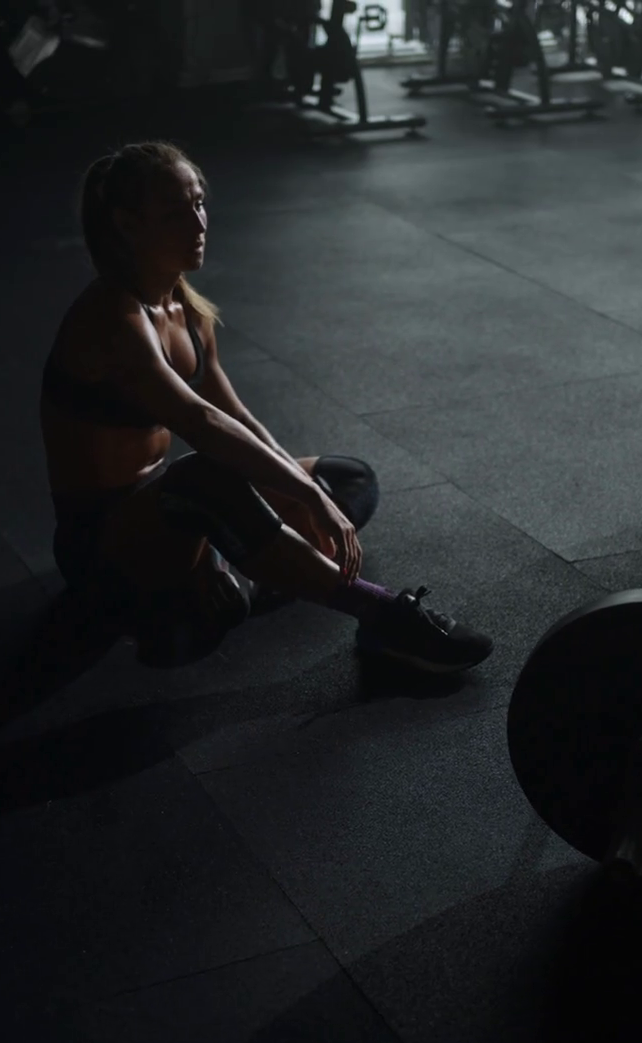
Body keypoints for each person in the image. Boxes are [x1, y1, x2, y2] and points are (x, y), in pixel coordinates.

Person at [38, 141, 493, 674]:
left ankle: (233, 568)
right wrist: (300, 498)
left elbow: (234, 415)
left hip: (176, 519)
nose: (198, 221)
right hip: (107, 546)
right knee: (209, 478)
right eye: (174, 212)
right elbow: (201, 424)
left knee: (348, 484)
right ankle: (381, 614)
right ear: (128, 225)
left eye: (200, 202)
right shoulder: (112, 319)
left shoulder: (185, 307)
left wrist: (311, 497)